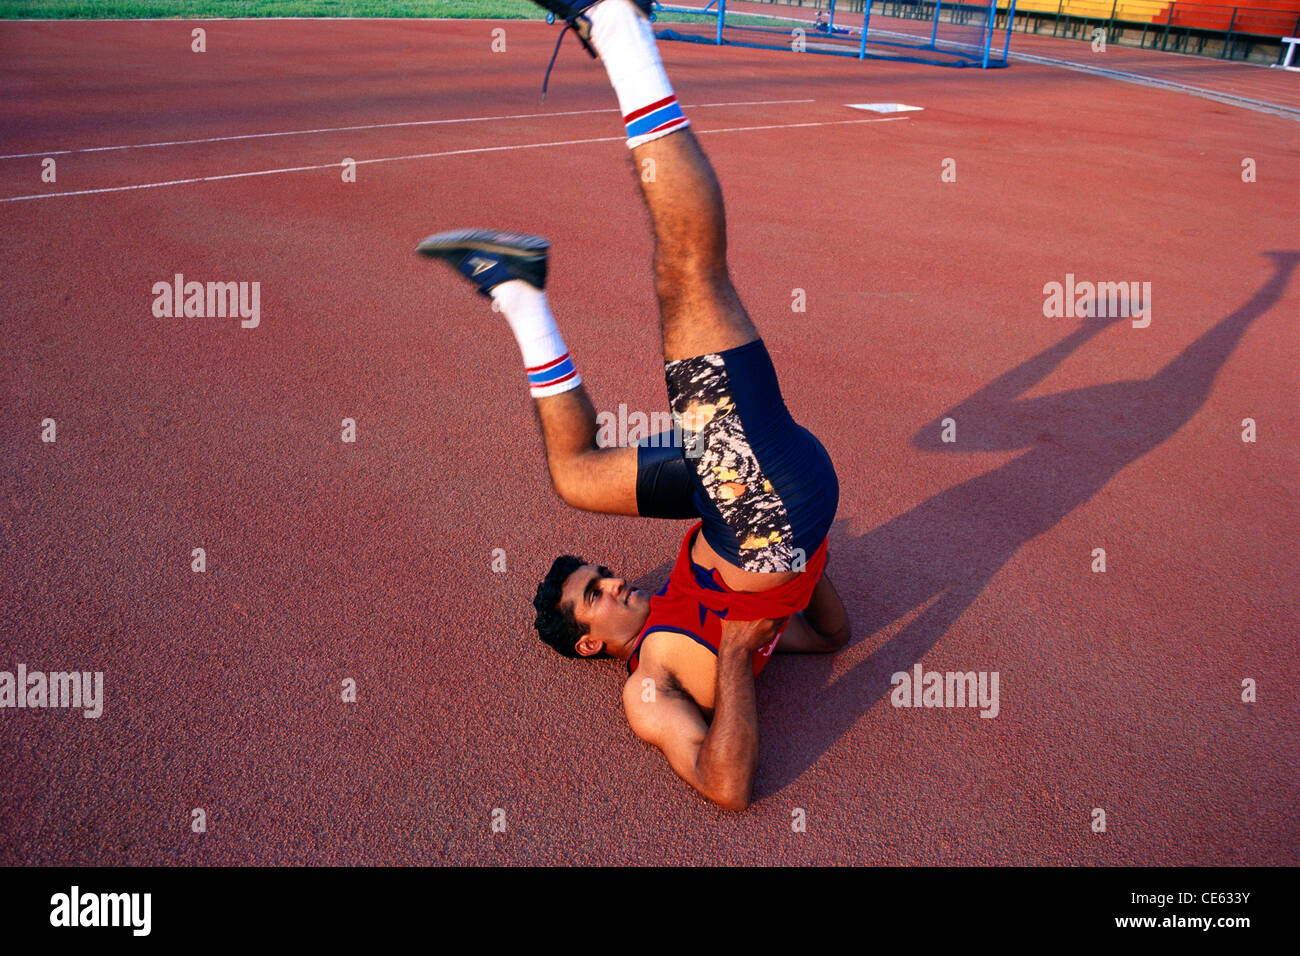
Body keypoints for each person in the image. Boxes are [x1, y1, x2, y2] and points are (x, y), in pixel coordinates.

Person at [419, 0, 850, 812]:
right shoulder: (647, 684)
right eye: (598, 596)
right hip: (764, 513)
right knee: (689, 275)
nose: (615, 582)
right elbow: (727, 787)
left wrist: (802, 579)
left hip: (735, 504)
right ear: (591, 644)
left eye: (600, 575)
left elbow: (833, 638)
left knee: (575, 477)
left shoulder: (671, 594)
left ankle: (516, 289)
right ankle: (617, 25)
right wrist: (755, 628)